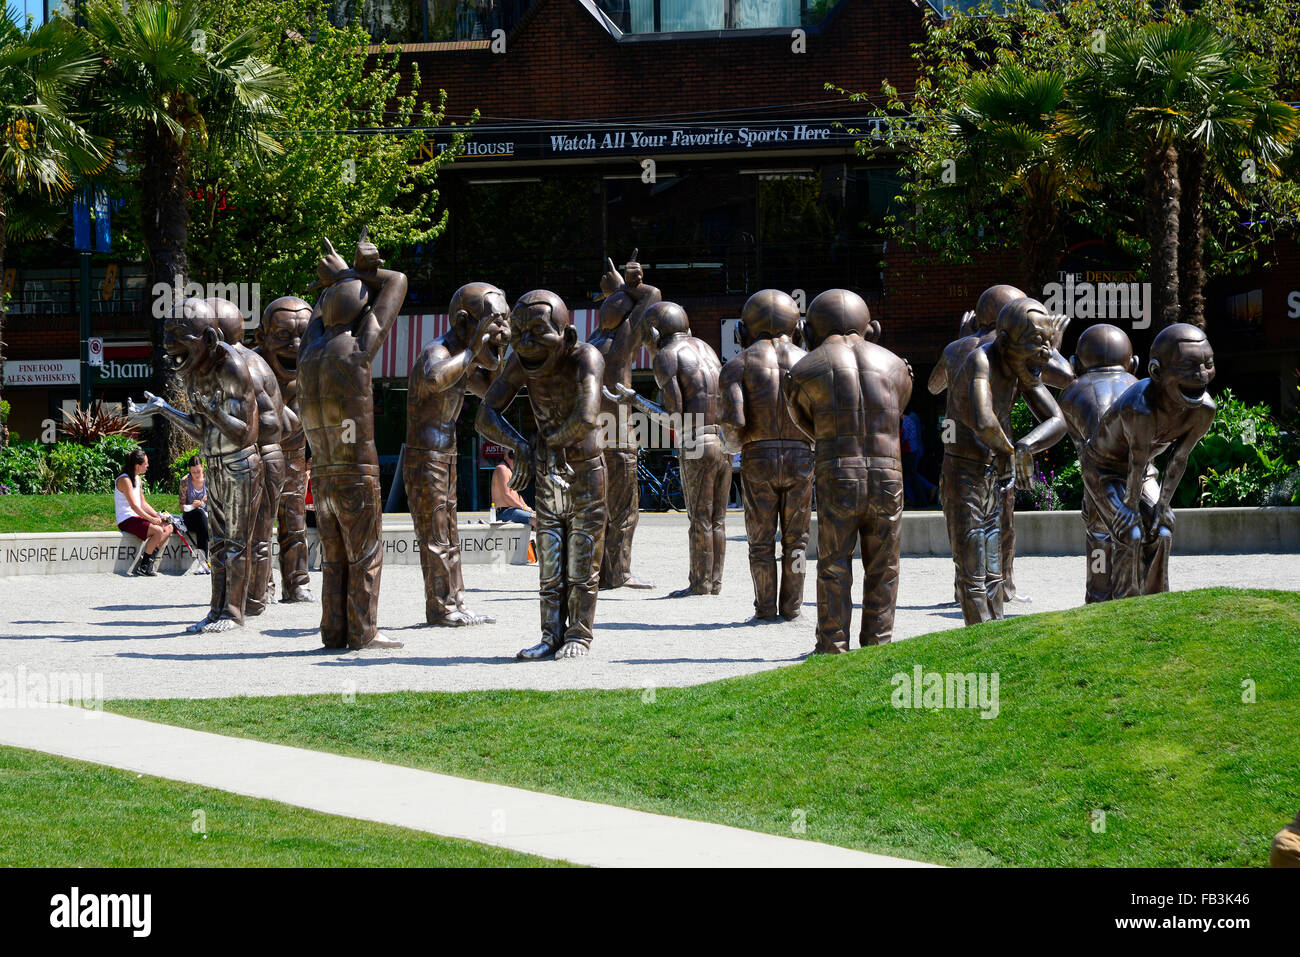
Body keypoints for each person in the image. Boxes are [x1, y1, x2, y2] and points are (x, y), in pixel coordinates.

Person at [115, 448, 173, 576]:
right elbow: (134, 506)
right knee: (158, 530)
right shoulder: (124, 480)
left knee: (168, 527)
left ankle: (149, 558)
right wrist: (152, 520)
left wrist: (158, 515)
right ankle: (144, 566)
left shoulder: (138, 479)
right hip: (126, 519)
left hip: (137, 518)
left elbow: (143, 504)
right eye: (145, 463)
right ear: (137, 466)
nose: (148, 465)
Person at [492, 450, 535, 527]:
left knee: (543, 518)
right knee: (537, 520)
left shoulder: (510, 471)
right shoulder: (502, 469)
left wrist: (528, 509)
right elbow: (506, 495)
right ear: (512, 455)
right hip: (506, 512)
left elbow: (518, 496)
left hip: (515, 510)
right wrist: (524, 508)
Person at [178, 455, 210, 558]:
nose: (196, 474)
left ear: (202, 467)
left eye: (198, 471)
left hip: (206, 516)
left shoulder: (209, 479)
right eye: (193, 472)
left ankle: (203, 561)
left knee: (201, 524)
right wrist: (192, 506)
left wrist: (202, 504)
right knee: (199, 514)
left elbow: (216, 501)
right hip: (190, 516)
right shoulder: (185, 481)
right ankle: (208, 553)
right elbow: (181, 506)